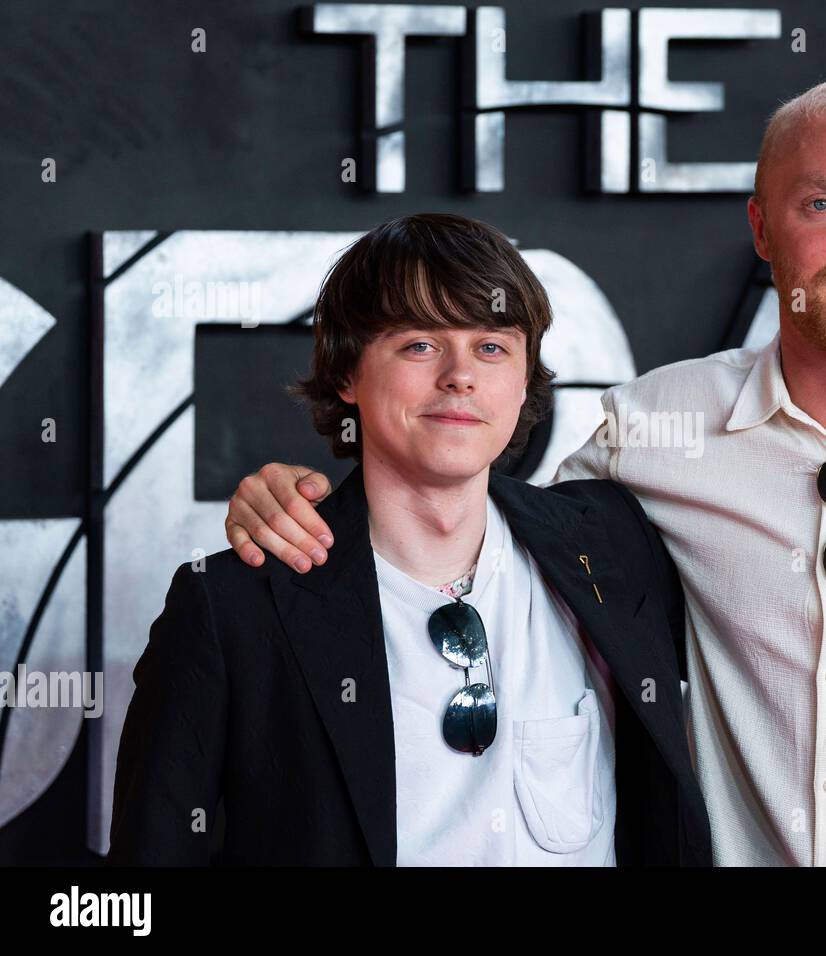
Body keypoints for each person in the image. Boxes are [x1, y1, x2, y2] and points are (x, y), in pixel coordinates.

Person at [220, 77, 826, 866]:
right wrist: (306, 492)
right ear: (761, 226)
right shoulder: (654, 430)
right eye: (819, 203)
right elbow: (472, 512)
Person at [108, 213, 710, 866]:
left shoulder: (616, 543)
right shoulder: (232, 609)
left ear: (524, 375)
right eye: (420, 344)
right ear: (346, 373)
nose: (460, 375)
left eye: (491, 347)